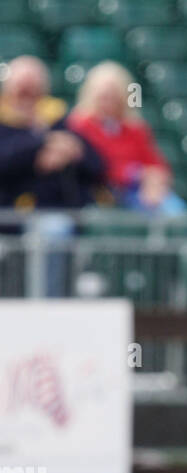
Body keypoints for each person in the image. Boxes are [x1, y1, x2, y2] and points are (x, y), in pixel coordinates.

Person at [0, 55, 106, 294]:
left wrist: (74, 152)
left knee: (53, 230)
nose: (27, 95)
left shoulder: (59, 120)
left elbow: (97, 166)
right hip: (8, 214)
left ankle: (48, 305)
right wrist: (39, 146)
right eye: (22, 89)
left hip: (52, 211)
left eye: (33, 89)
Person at [68, 61, 185, 214]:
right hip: (100, 192)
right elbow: (92, 167)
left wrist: (154, 181)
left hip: (138, 192)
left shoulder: (135, 127)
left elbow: (156, 164)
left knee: (173, 209)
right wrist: (137, 175)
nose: (108, 103)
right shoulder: (79, 126)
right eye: (104, 97)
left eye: (113, 97)